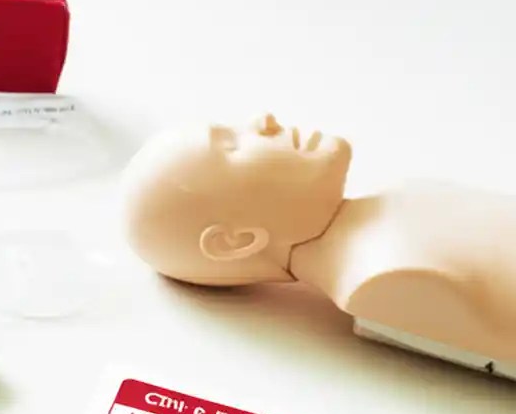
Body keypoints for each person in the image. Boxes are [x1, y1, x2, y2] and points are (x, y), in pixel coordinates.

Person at [122, 113, 516, 371]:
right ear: (236, 241)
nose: (266, 121)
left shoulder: (399, 200)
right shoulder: (382, 279)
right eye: (233, 146)